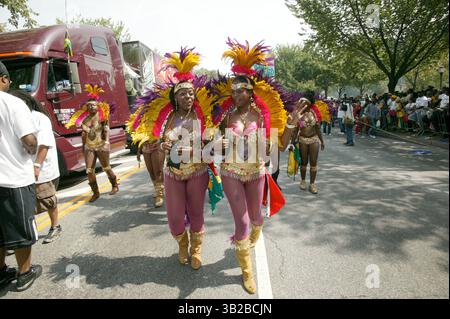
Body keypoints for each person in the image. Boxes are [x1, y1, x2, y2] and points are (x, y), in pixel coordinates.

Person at [212, 40, 286, 294]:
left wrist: (269, 144)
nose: (236, 94)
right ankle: (247, 273)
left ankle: (253, 236)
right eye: (233, 91)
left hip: (256, 172)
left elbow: (273, 148)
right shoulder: (225, 117)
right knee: (241, 224)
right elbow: (215, 147)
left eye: (241, 90)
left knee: (256, 219)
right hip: (231, 172)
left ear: (251, 92)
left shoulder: (262, 116)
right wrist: (218, 143)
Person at [156, 48, 213, 270]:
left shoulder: (202, 116)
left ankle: (196, 249)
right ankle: (182, 243)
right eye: (183, 94)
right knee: (175, 217)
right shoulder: (167, 118)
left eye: (190, 93)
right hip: (172, 173)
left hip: (197, 172)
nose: (188, 97)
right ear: (175, 97)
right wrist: (163, 144)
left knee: (197, 212)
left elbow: (210, 146)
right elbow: (159, 142)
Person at [0, 61, 42, 291]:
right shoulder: (13, 103)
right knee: (21, 229)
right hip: (13, 178)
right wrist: (32, 147)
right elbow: (29, 141)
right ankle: (24, 272)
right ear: (4, 79)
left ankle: (1, 273)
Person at [9, 91, 62, 244]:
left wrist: (37, 165)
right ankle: (28, 233)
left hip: (42, 166)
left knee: (47, 198)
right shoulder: (16, 119)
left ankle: (55, 226)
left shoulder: (39, 118)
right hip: (22, 167)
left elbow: (44, 143)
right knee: (25, 203)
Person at [66, 85, 119, 202]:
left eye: (93, 105)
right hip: (89, 147)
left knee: (106, 167)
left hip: (101, 145)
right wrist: (83, 146)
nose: (91, 107)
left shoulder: (103, 116)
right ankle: (95, 192)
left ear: (97, 106)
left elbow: (106, 130)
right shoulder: (84, 120)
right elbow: (83, 135)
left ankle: (114, 185)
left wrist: (106, 142)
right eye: (89, 105)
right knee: (89, 170)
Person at [281, 91, 325, 194]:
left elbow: (318, 129)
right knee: (304, 163)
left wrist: (322, 141)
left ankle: (312, 184)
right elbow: (295, 130)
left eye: (305, 103)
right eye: (302, 102)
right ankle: (303, 181)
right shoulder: (299, 114)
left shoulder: (315, 113)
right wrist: (292, 143)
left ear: (310, 104)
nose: (303, 105)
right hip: (302, 140)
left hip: (314, 140)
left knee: (313, 163)